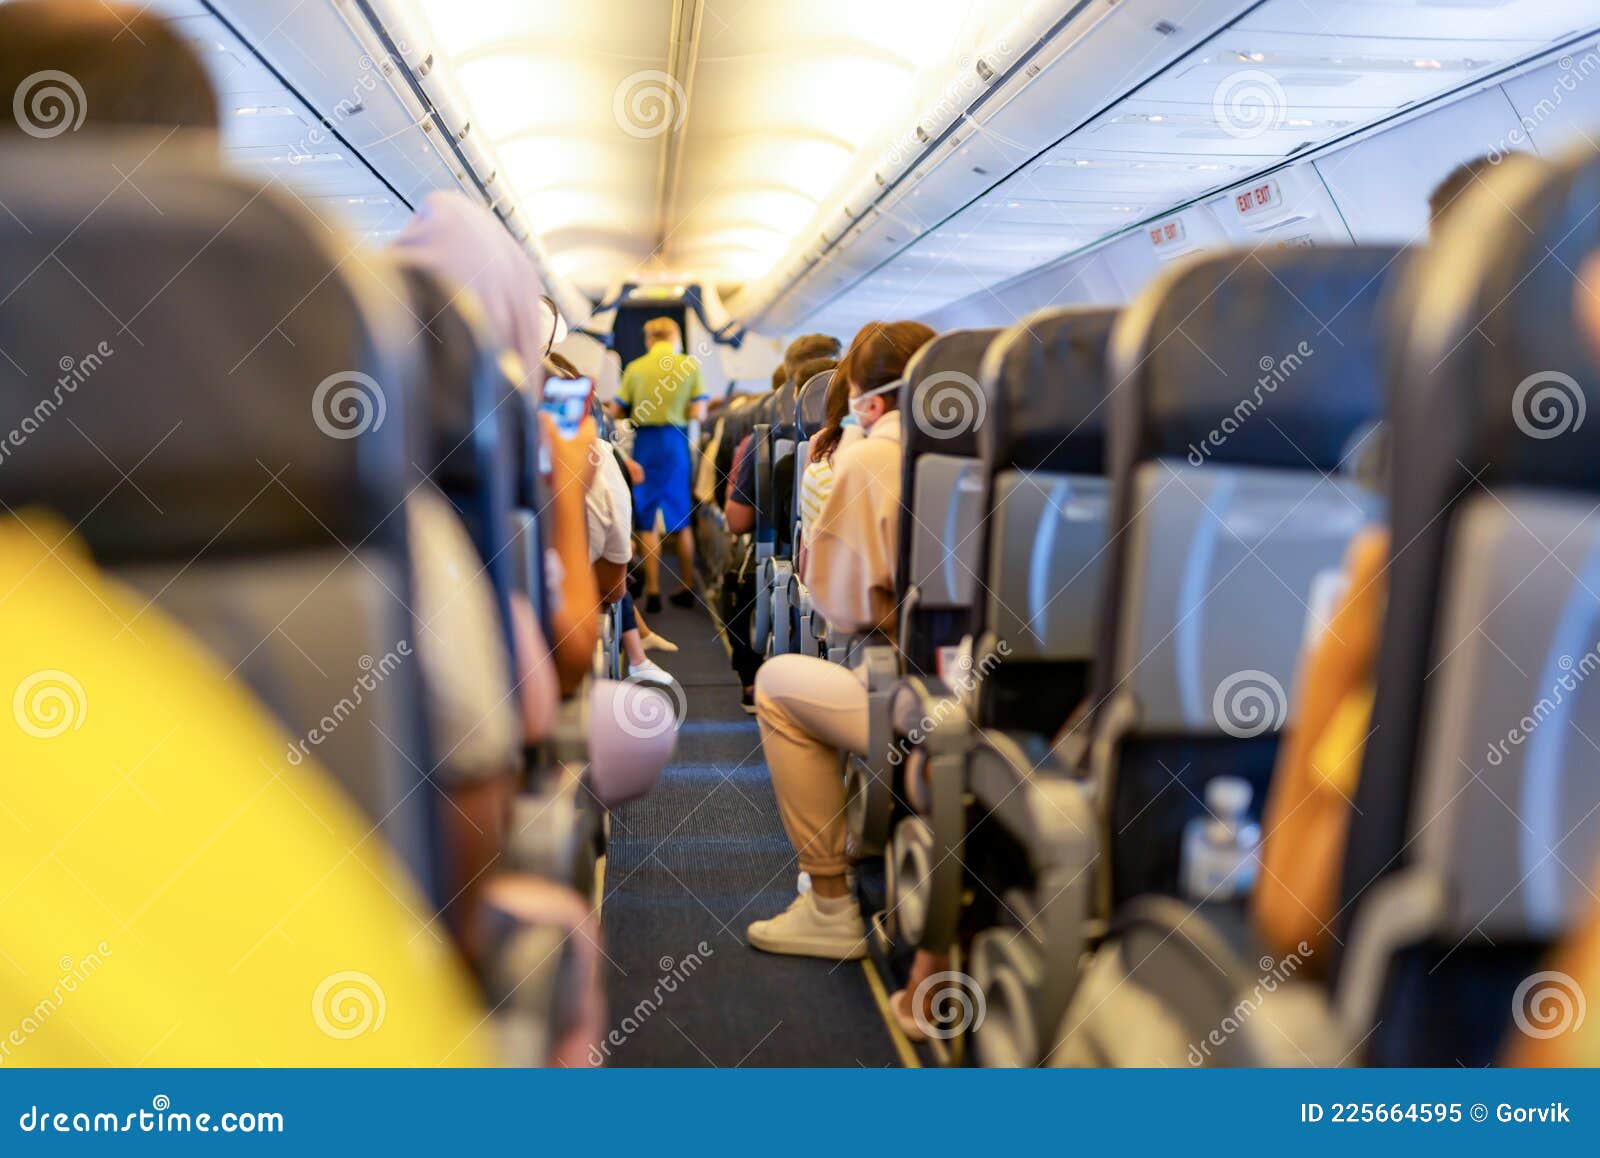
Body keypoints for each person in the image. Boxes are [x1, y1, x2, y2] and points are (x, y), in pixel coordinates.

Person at [745, 321, 934, 959]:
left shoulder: (869, 456)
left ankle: (829, 905)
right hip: (1013, 693)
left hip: (916, 694)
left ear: (869, 400)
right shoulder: (993, 446)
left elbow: (839, 604)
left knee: (777, 686)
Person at [613, 317, 706, 613]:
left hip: (646, 443)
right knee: (682, 516)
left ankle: (652, 591)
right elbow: (699, 411)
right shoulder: (689, 365)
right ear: (675, 336)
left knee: (647, 516)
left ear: (649, 339)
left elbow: (617, 408)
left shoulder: (636, 367)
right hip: (675, 442)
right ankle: (687, 586)